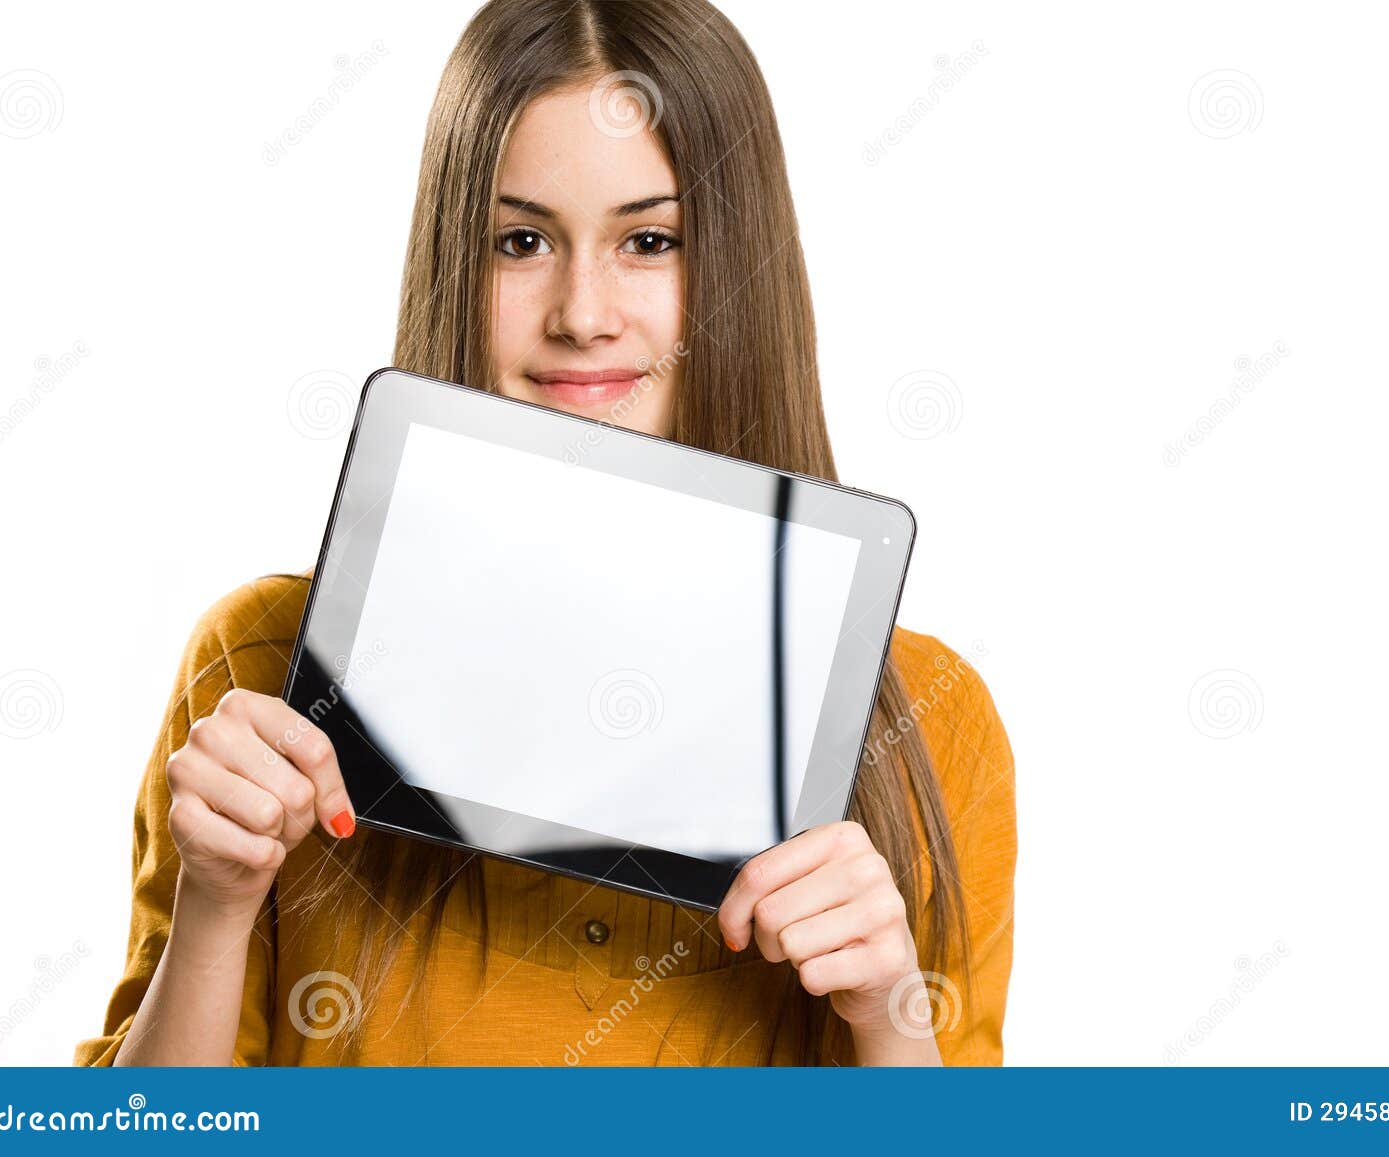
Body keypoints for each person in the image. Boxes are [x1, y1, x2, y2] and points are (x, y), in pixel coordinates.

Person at [77, 0, 1015, 1067]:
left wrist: (887, 1006)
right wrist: (215, 904)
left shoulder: (930, 725)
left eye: (649, 240)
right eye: (520, 240)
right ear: (452, 263)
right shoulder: (263, 668)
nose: (582, 310)